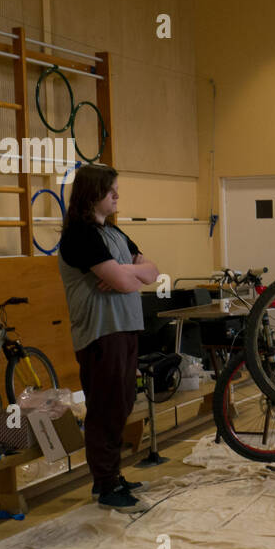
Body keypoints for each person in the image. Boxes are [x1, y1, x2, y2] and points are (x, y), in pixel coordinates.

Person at [57, 164, 159, 509]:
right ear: (92, 194)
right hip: (101, 334)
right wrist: (130, 275)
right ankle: (105, 482)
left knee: (123, 403)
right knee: (106, 407)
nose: (117, 195)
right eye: (111, 189)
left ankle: (112, 475)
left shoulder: (115, 235)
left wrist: (126, 271)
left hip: (126, 328)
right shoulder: (80, 236)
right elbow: (130, 282)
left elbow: (152, 272)